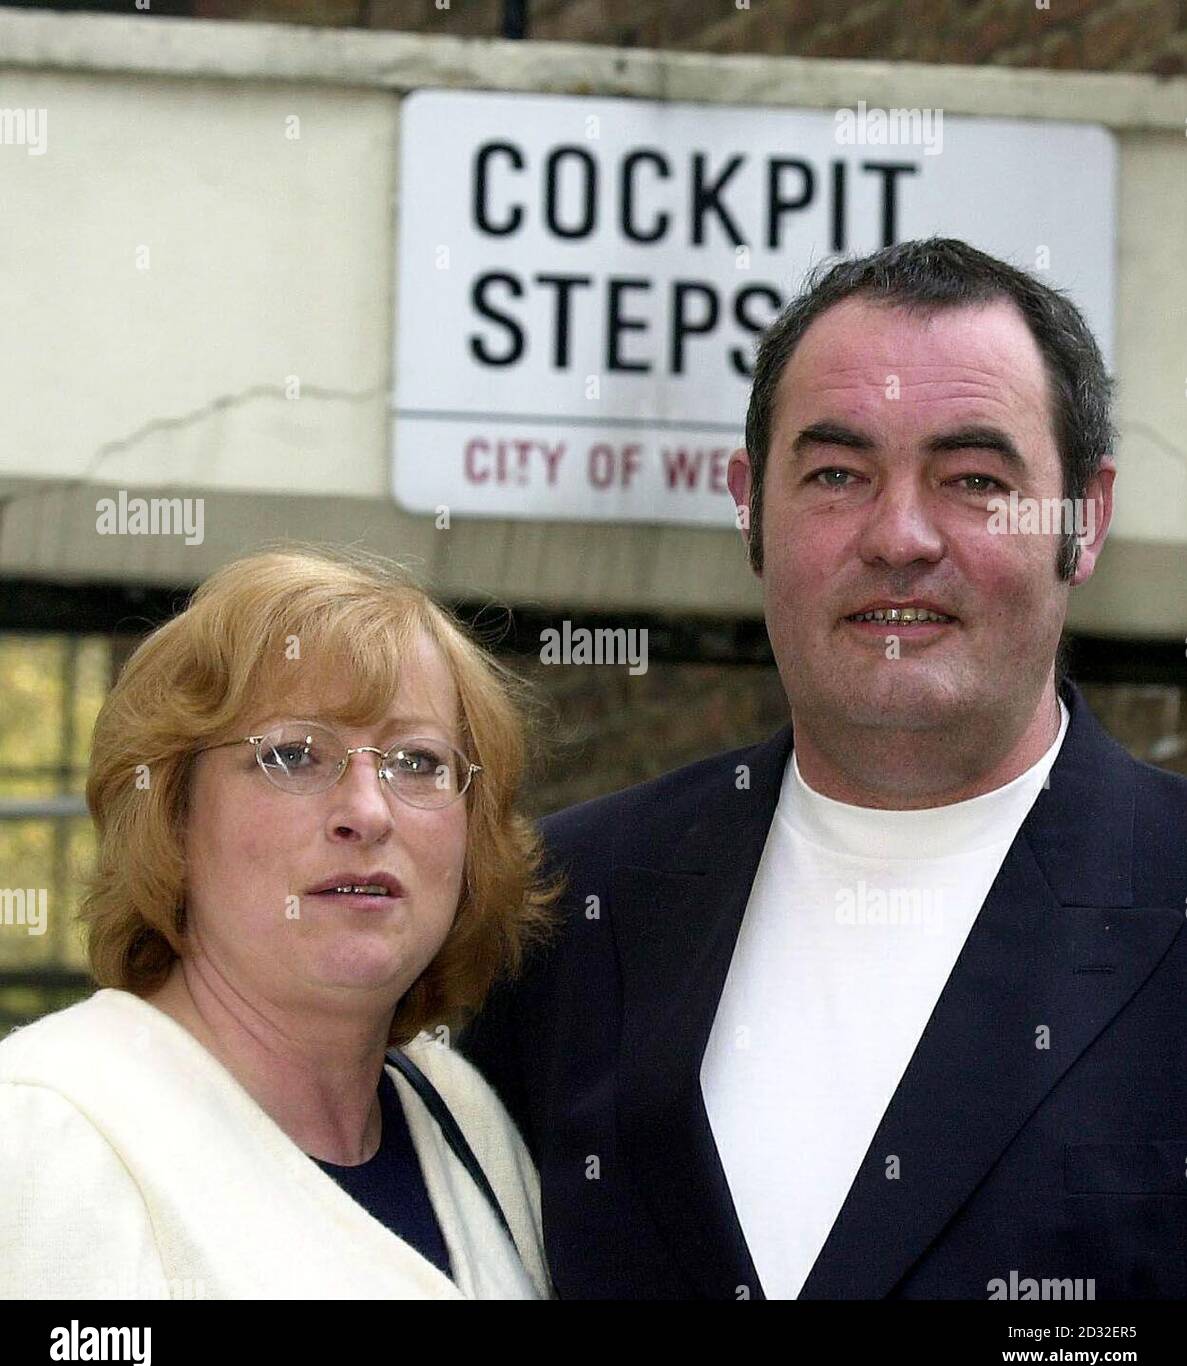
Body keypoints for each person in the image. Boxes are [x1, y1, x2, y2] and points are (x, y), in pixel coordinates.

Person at [458, 238, 1187, 1300]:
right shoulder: (566, 906)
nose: (897, 536)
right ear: (749, 503)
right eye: (837, 473)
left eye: (973, 479)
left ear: (1082, 517)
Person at [0, 547, 557, 1299]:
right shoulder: (51, 1128)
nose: (367, 811)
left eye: (417, 761)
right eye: (294, 755)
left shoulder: (462, 1114)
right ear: (172, 813)